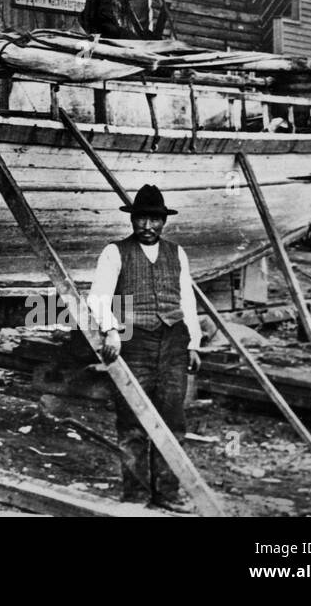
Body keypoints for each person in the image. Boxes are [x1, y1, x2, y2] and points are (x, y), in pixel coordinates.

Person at [88, 183, 203, 510]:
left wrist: (193, 343)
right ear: (132, 219)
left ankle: (167, 494)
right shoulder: (114, 252)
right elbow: (98, 298)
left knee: (172, 420)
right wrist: (111, 331)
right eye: (142, 219)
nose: (148, 227)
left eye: (155, 220)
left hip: (173, 343)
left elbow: (187, 301)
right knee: (132, 422)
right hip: (133, 342)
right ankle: (136, 497)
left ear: (164, 221)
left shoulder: (176, 252)